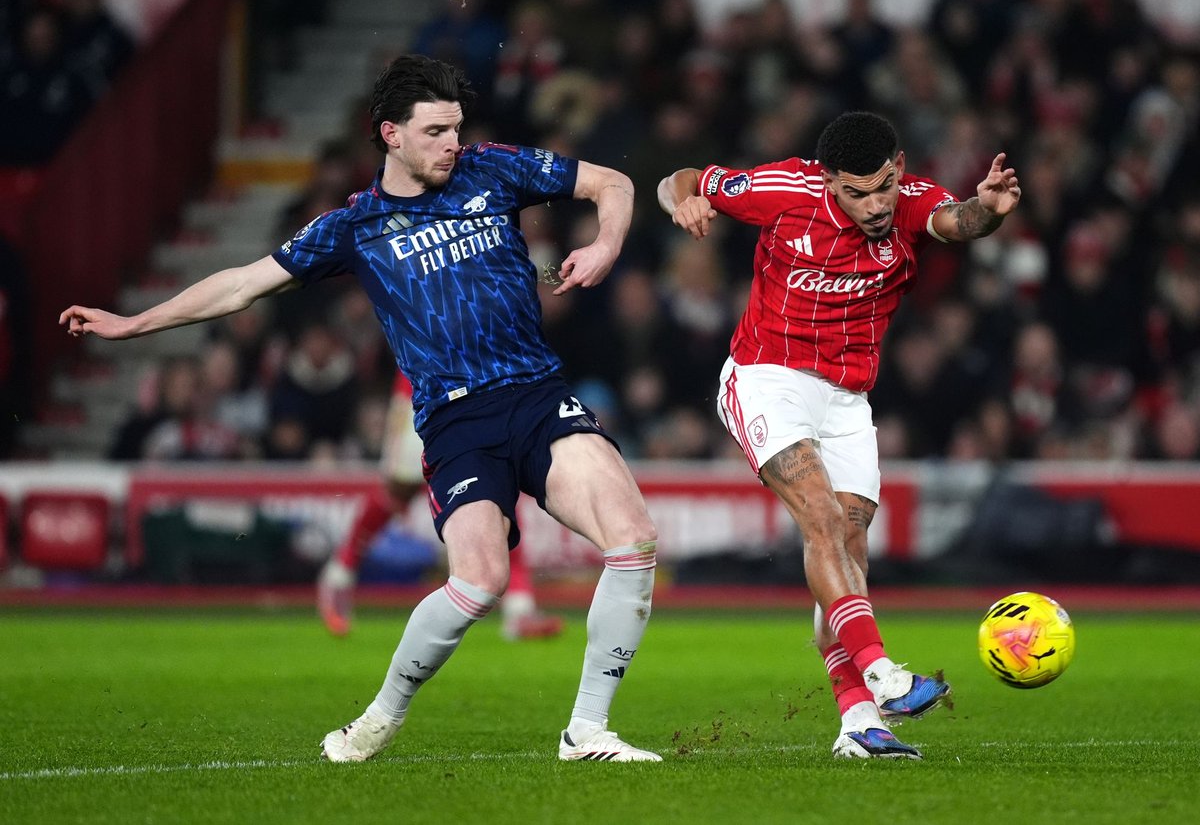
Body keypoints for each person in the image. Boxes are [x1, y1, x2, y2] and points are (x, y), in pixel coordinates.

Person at [62, 54, 661, 764]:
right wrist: (132, 325)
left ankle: (586, 731)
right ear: (390, 134)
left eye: (457, 129)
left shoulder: (494, 169)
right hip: (454, 422)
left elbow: (611, 183)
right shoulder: (356, 225)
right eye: (436, 130)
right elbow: (240, 286)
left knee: (633, 538)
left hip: (534, 393)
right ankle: (377, 720)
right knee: (479, 581)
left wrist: (606, 242)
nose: (453, 144)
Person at [657, 110, 1021, 760]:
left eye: (883, 185)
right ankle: (883, 675)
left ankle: (856, 724)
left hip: (849, 399)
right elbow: (681, 178)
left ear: (899, 168)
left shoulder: (911, 203)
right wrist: (683, 202)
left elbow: (956, 220)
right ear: (828, 183)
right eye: (856, 193)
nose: (875, 204)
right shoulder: (784, 192)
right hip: (768, 378)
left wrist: (988, 209)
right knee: (821, 520)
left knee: (849, 549)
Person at [317, 370, 564, 641]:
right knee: (400, 489)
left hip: (479, 384)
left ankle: (519, 609)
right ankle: (340, 574)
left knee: (499, 487)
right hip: (421, 378)